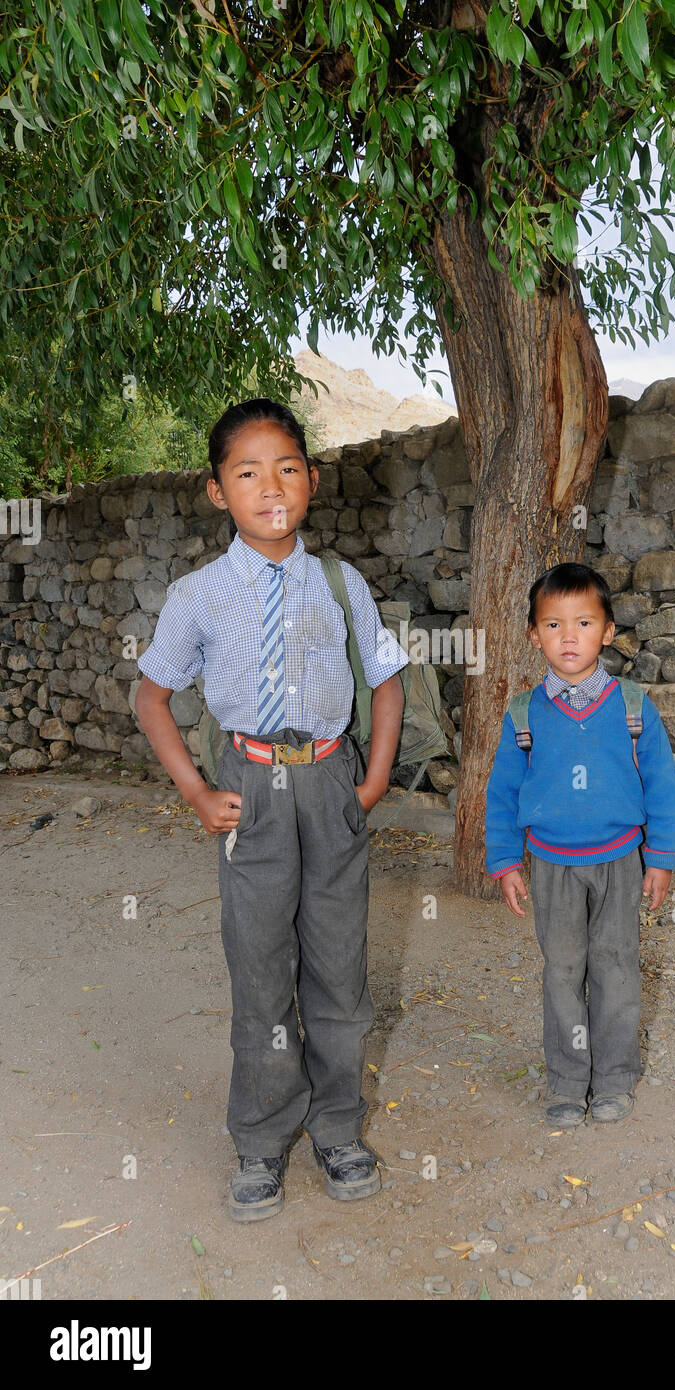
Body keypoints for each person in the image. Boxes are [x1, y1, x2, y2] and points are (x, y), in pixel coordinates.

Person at [135, 398, 408, 1220]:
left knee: (338, 969)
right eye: (246, 471)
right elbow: (151, 697)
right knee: (260, 973)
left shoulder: (340, 582)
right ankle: (259, 1141)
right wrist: (193, 789)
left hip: (331, 783)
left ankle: (335, 1127)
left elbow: (386, 679)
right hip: (247, 790)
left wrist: (375, 779)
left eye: (287, 466)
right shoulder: (198, 595)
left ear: (311, 480)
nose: (270, 485)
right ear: (218, 491)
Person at [484, 562, 675, 1128]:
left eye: (584, 622)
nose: (568, 637)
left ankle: (615, 1077)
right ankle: (568, 1081)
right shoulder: (524, 714)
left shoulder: (634, 709)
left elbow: (661, 786)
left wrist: (660, 859)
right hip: (551, 867)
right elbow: (502, 793)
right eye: (552, 625)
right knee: (562, 972)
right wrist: (505, 861)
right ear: (532, 634)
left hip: (620, 860)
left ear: (609, 631)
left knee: (616, 969)